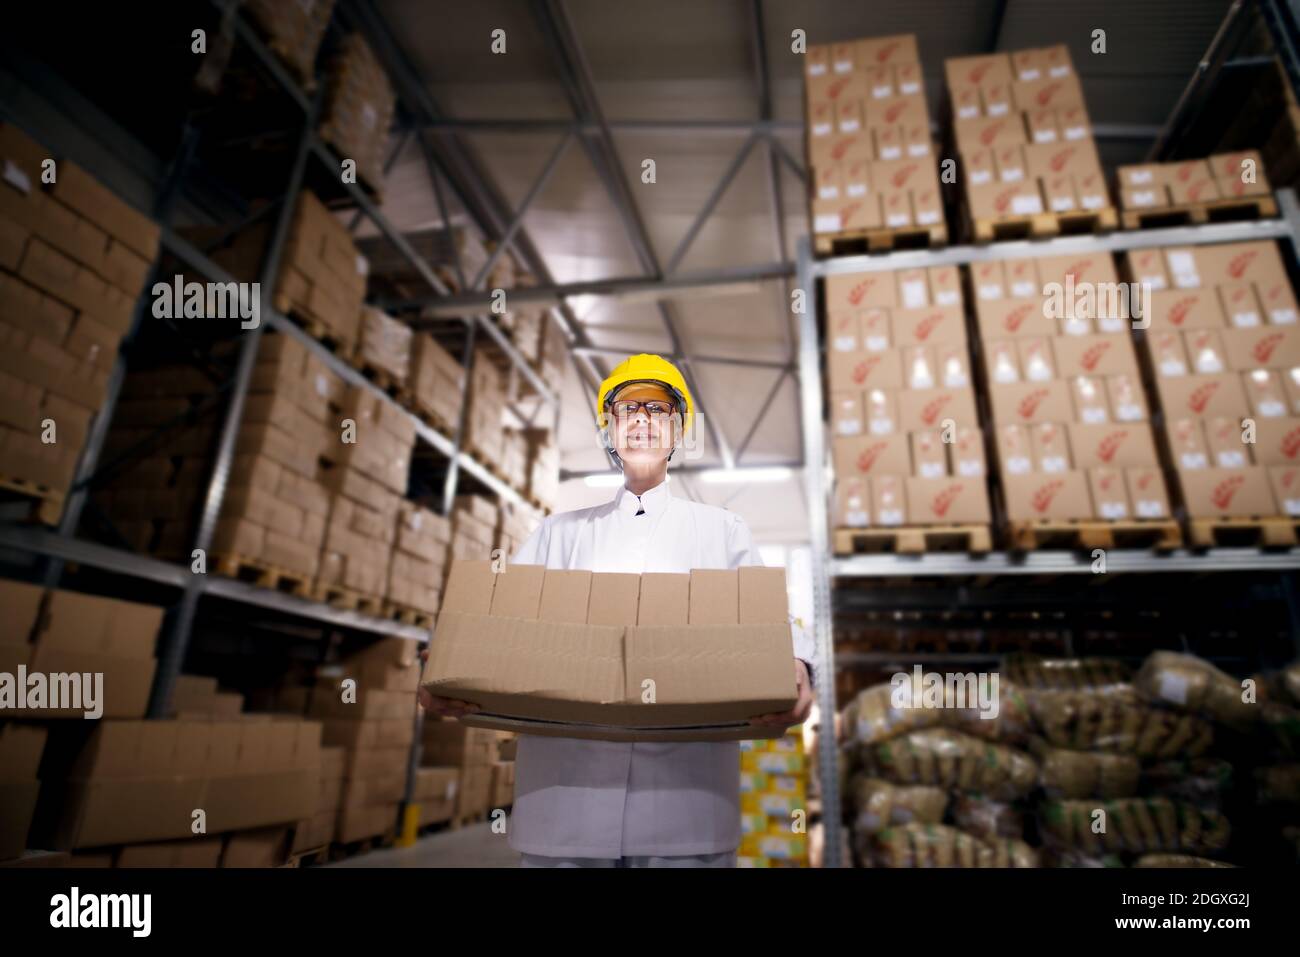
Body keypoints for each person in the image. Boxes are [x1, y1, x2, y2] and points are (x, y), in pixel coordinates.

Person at [419, 353, 815, 867]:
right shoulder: (557, 532)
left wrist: (799, 667)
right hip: (565, 806)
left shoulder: (722, 530)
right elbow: (493, 623)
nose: (643, 420)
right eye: (627, 410)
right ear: (610, 430)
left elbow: (770, 623)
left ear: (679, 431)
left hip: (684, 807)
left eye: (658, 408)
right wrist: (442, 666)